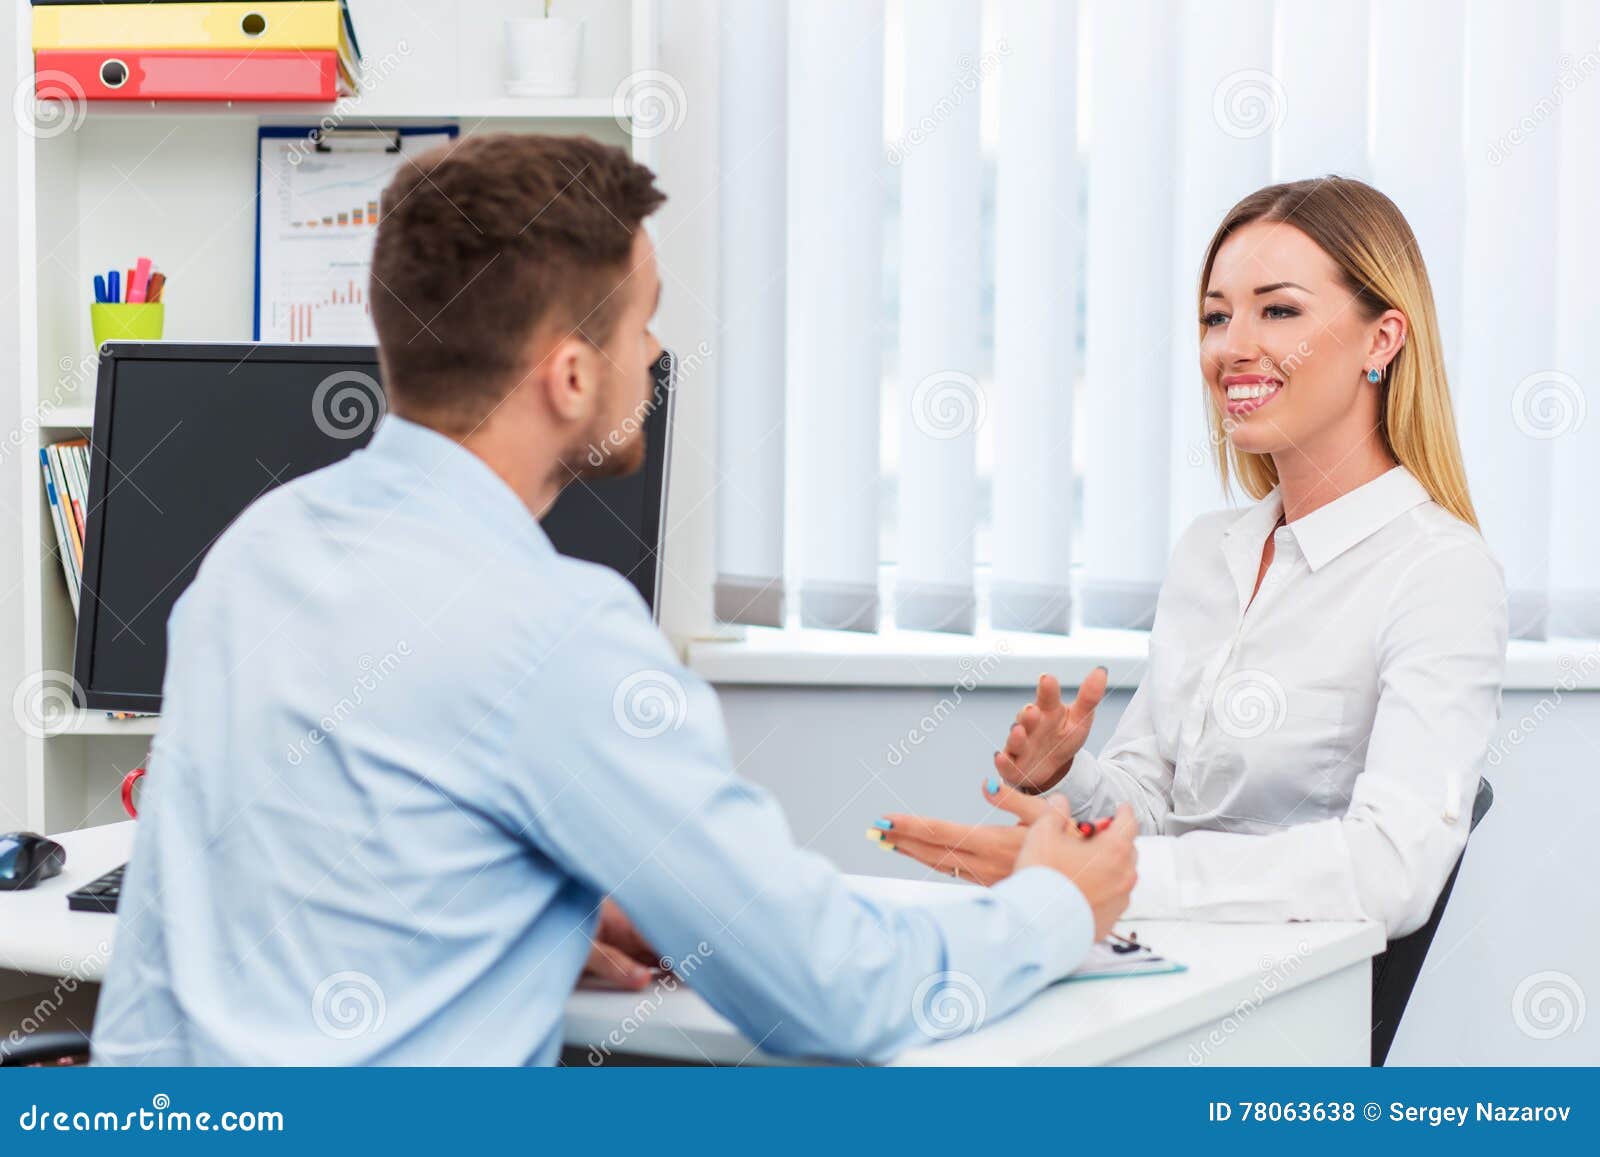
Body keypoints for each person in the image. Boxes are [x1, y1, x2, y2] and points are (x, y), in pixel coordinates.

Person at [90, 134, 1136, 1066]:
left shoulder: (256, 551)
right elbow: (832, 986)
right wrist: (1057, 905)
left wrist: (528, 908)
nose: (657, 355)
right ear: (572, 376)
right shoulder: (557, 631)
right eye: (644, 324)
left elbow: (201, 934)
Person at [881, 177, 1506, 940]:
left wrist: (1110, 874)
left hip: (1283, 988)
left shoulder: (1440, 574)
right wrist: (1067, 779)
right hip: (1157, 950)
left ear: (1382, 339)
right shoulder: (1210, 551)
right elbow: (1154, 804)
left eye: (1278, 310)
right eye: (1216, 316)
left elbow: (1392, 869)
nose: (1230, 347)